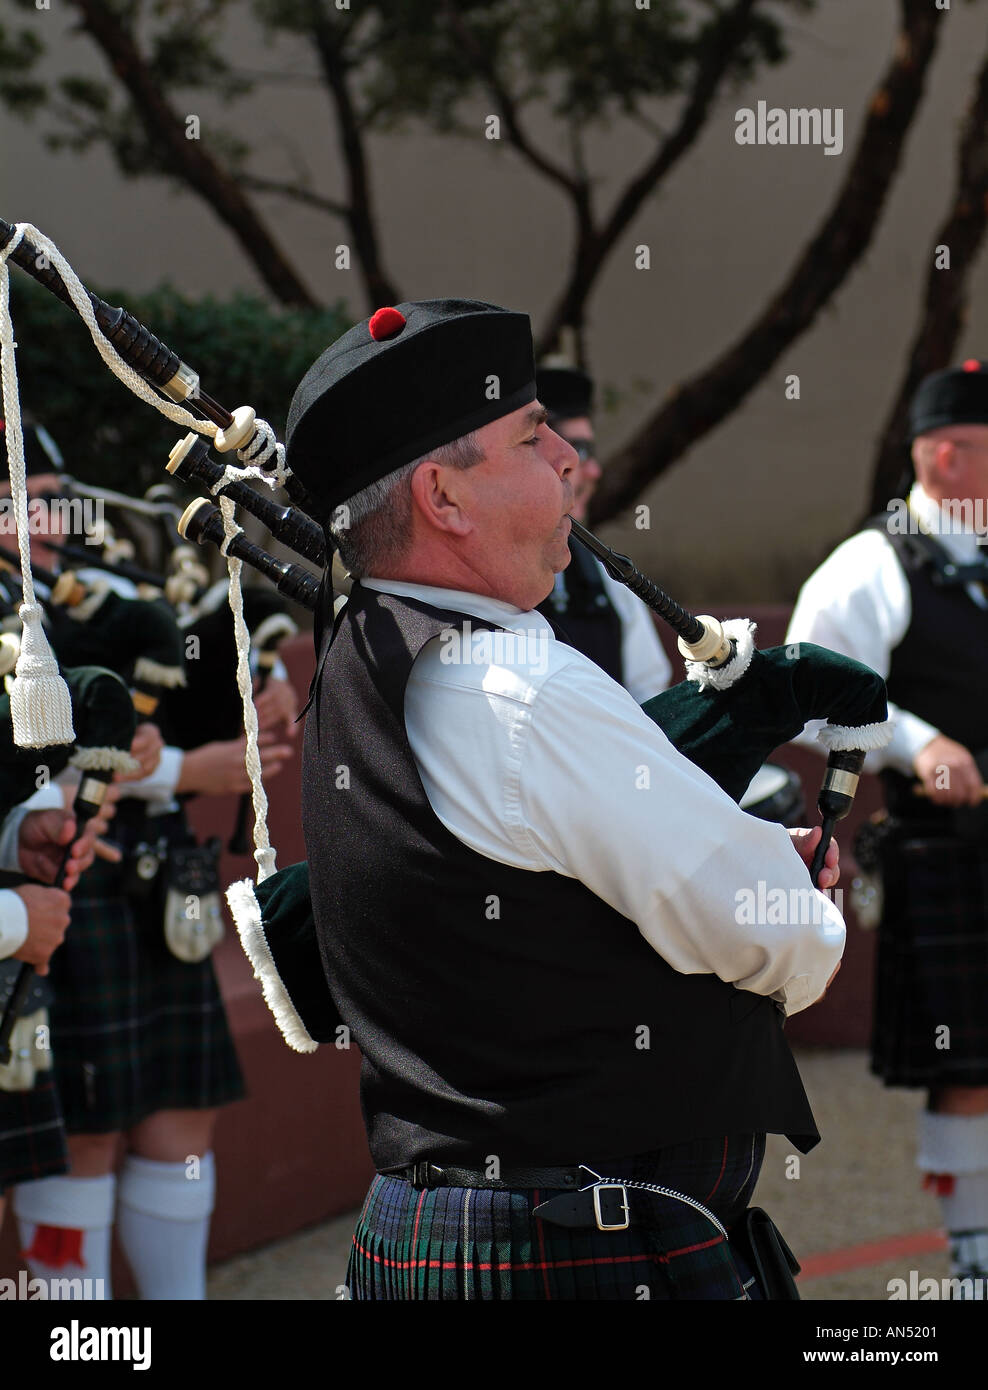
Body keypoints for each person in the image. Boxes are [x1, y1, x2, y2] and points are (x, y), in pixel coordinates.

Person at [285, 298, 844, 1301]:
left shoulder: (362, 663)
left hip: (458, 1229)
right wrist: (796, 891)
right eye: (533, 437)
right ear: (444, 499)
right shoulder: (522, 690)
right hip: (574, 1247)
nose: (567, 462)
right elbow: (778, 939)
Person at [0, 431, 295, 1300]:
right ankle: (78, 1342)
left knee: (178, 1121)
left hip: (153, 879)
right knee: (81, 1131)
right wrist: (185, 771)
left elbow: (182, 682)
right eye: (27, 498)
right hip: (68, 889)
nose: (52, 518)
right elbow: (40, 747)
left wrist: (257, 685)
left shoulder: (92, 582)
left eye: (56, 495)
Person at [786, 359, 988, 1293]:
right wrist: (915, 743)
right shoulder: (872, 565)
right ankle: (974, 1257)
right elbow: (813, 698)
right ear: (946, 455)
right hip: (949, 854)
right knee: (973, 1068)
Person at [535, 362, 671, 698]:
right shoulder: (483, 579)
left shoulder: (609, 580)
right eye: (581, 450)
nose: (594, 470)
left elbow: (650, 704)